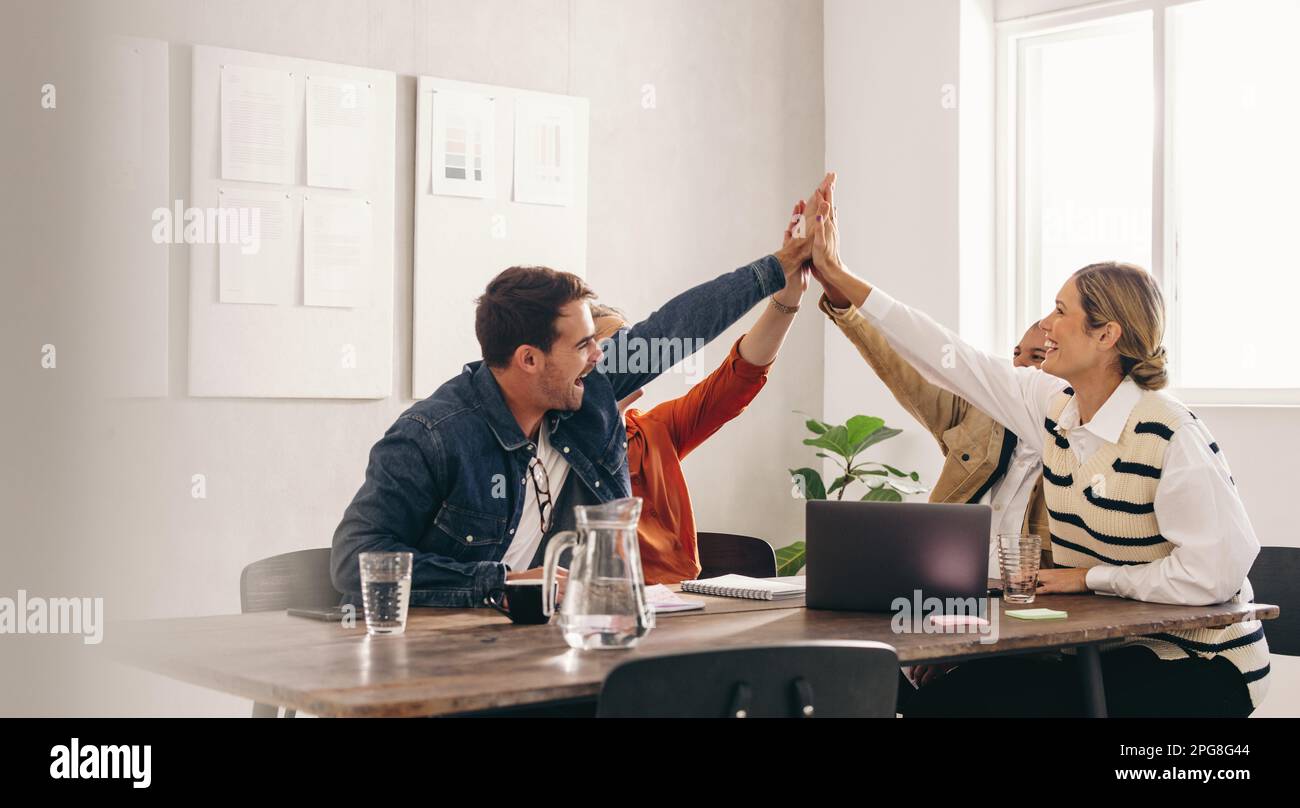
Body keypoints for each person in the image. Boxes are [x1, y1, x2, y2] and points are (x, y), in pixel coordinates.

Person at [808, 174, 1270, 717]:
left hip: (1202, 661)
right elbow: (945, 354)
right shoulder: (1054, 409)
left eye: (1060, 311)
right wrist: (841, 282)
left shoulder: (1170, 433)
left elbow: (1214, 575)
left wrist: (1091, 578)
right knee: (945, 704)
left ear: (1106, 335)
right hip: (1103, 648)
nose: (1045, 324)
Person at [330, 202, 816, 608]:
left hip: (572, 637)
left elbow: (674, 328)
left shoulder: (588, 392)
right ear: (528, 359)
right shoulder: (431, 436)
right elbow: (357, 560)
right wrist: (495, 580)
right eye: (584, 345)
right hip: (461, 649)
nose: (599, 355)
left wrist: (780, 265)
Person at [589, 200, 813, 585]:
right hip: (615, 611)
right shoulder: (555, 442)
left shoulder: (657, 428)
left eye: (632, 340)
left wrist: (790, 293)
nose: (632, 352)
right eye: (615, 344)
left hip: (687, 605)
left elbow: (739, 378)